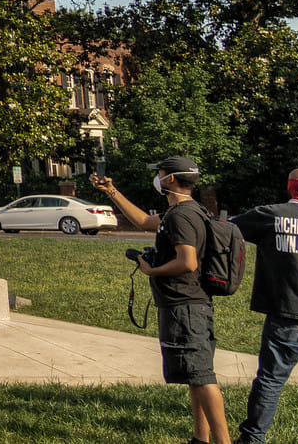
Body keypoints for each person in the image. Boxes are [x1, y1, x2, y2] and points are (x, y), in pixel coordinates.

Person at [90, 157, 232, 444]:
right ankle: (200, 439)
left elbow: (188, 262)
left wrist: (151, 269)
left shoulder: (181, 216)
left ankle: (223, 441)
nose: (157, 177)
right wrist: (112, 192)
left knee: (203, 376)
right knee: (194, 375)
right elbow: (143, 221)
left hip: (186, 306)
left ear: (170, 180)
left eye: (160, 173)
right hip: (183, 305)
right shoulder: (181, 212)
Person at [226, 168, 298, 444]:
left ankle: (253, 438)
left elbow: (227, 229)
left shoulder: (270, 215)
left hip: (287, 313)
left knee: (271, 379)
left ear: (290, 187)